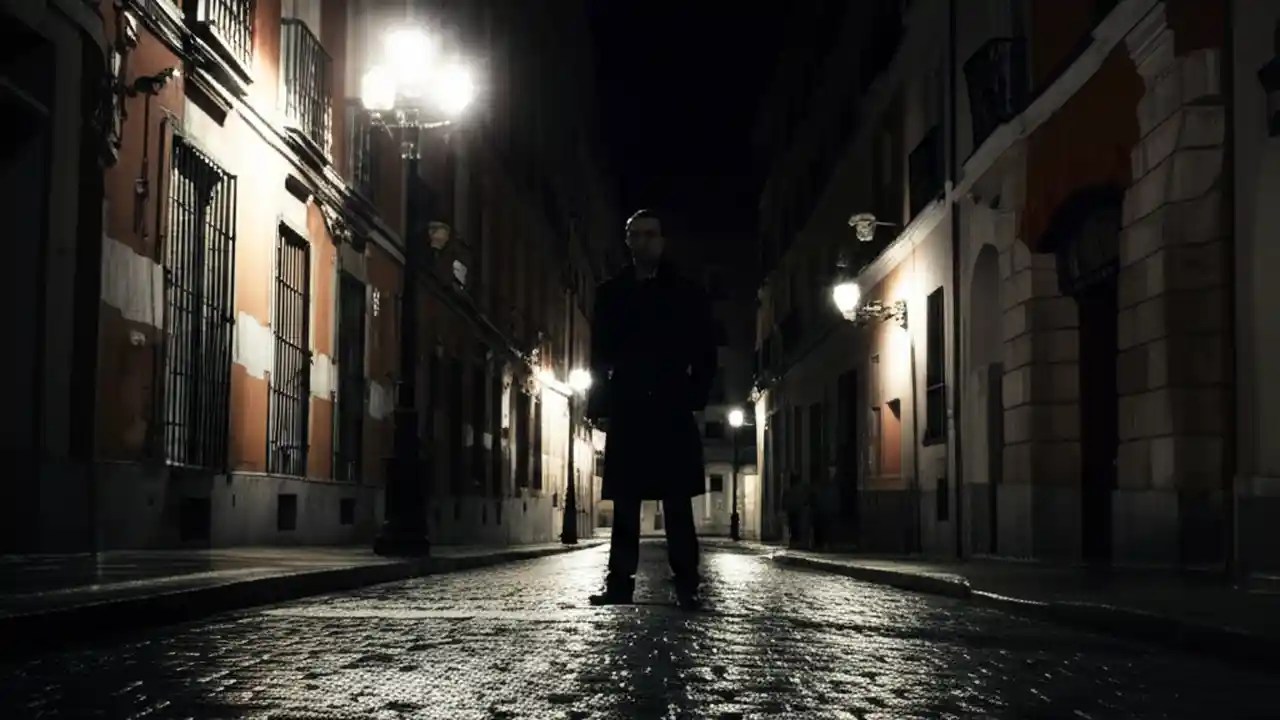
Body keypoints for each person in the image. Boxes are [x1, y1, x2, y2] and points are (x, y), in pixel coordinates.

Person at [585, 209, 716, 610]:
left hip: (671, 404)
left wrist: (694, 396)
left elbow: (705, 352)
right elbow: (598, 356)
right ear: (627, 241)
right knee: (625, 500)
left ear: (662, 240)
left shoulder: (688, 292)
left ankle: (687, 584)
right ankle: (619, 584)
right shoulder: (610, 293)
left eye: (650, 234)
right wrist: (601, 406)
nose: (643, 241)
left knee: (677, 502)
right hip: (627, 405)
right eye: (635, 235)